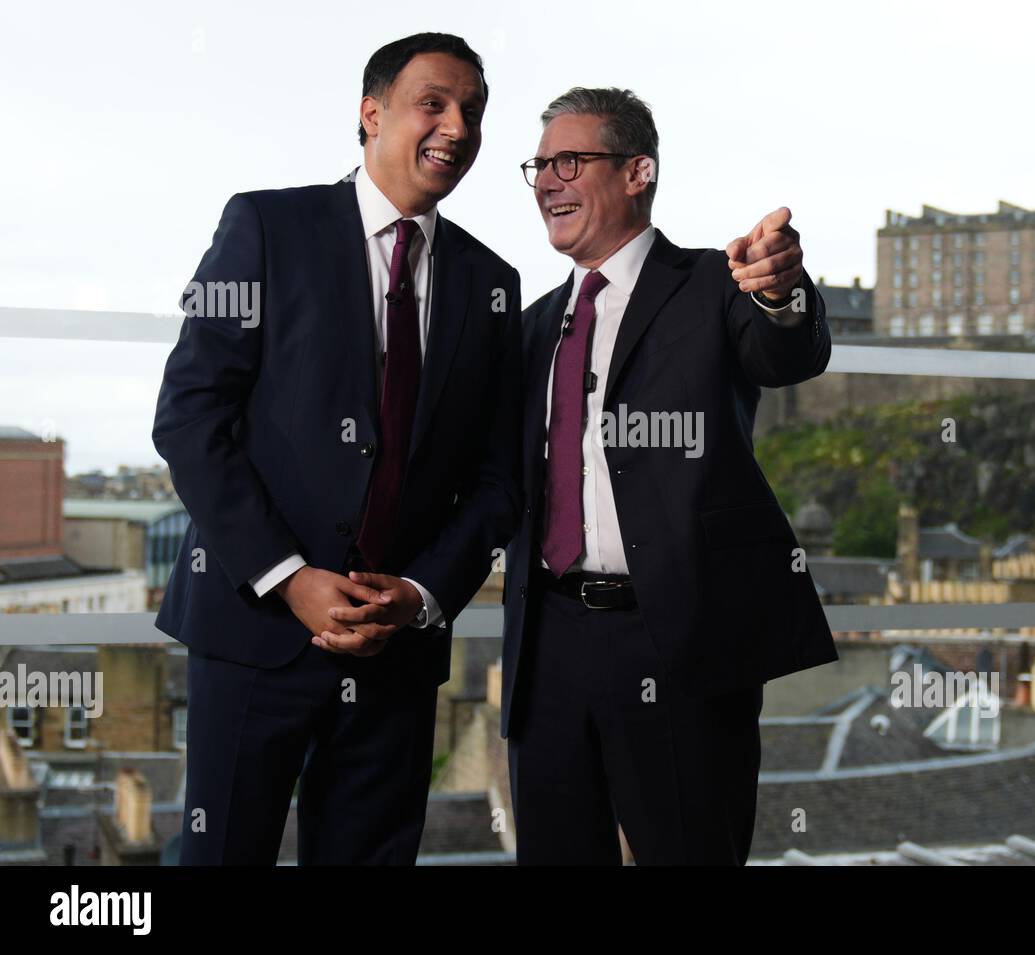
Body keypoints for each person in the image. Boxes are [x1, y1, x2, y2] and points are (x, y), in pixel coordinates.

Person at [152, 32, 521, 864]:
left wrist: (423, 592)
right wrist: (289, 578)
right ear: (371, 112)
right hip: (255, 634)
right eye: (434, 103)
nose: (457, 126)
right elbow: (188, 417)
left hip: (398, 655)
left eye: (474, 112)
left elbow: (499, 480)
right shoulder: (264, 226)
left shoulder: (492, 282)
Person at [502, 87, 836, 865]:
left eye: (571, 160)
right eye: (540, 164)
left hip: (676, 640)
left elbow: (785, 351)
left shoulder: (715, 285)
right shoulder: (529, 327)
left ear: (637, 173)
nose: (549, 179)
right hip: (545, 646)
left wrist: (780, 291)